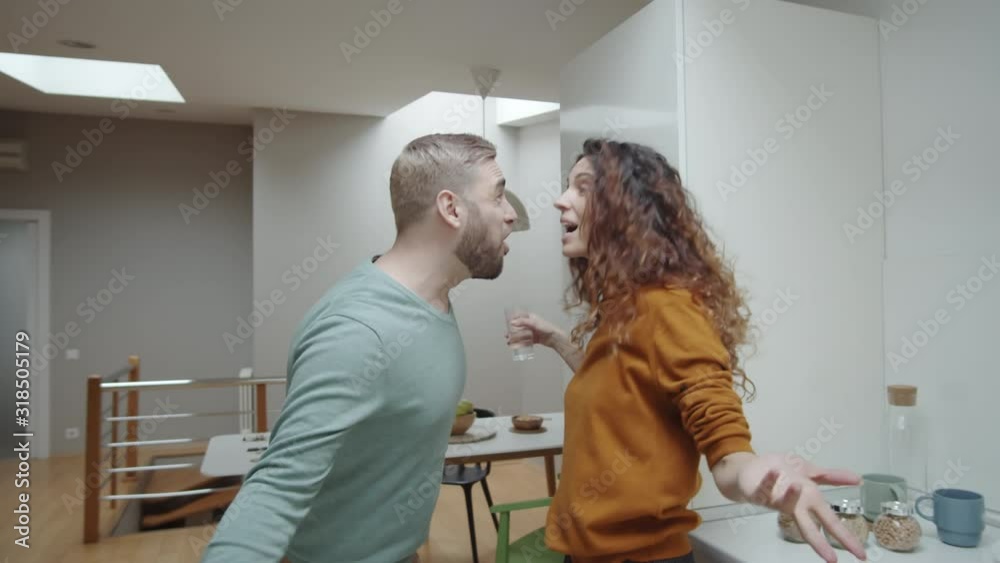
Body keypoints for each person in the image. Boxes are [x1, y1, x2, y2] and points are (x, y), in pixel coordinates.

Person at [508, 139, 867, 563]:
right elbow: (621, 392)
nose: (560, 201)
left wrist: (751, 472)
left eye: (582, 188)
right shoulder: (626, 306)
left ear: (627, 210)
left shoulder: (668, 307)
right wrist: (556, 339)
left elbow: (723, 437)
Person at [202, 133, 517, 563]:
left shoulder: (434, 298)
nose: (511, 214)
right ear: (451, 209)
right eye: (499, 196)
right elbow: (276, 488)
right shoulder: (358, 331)